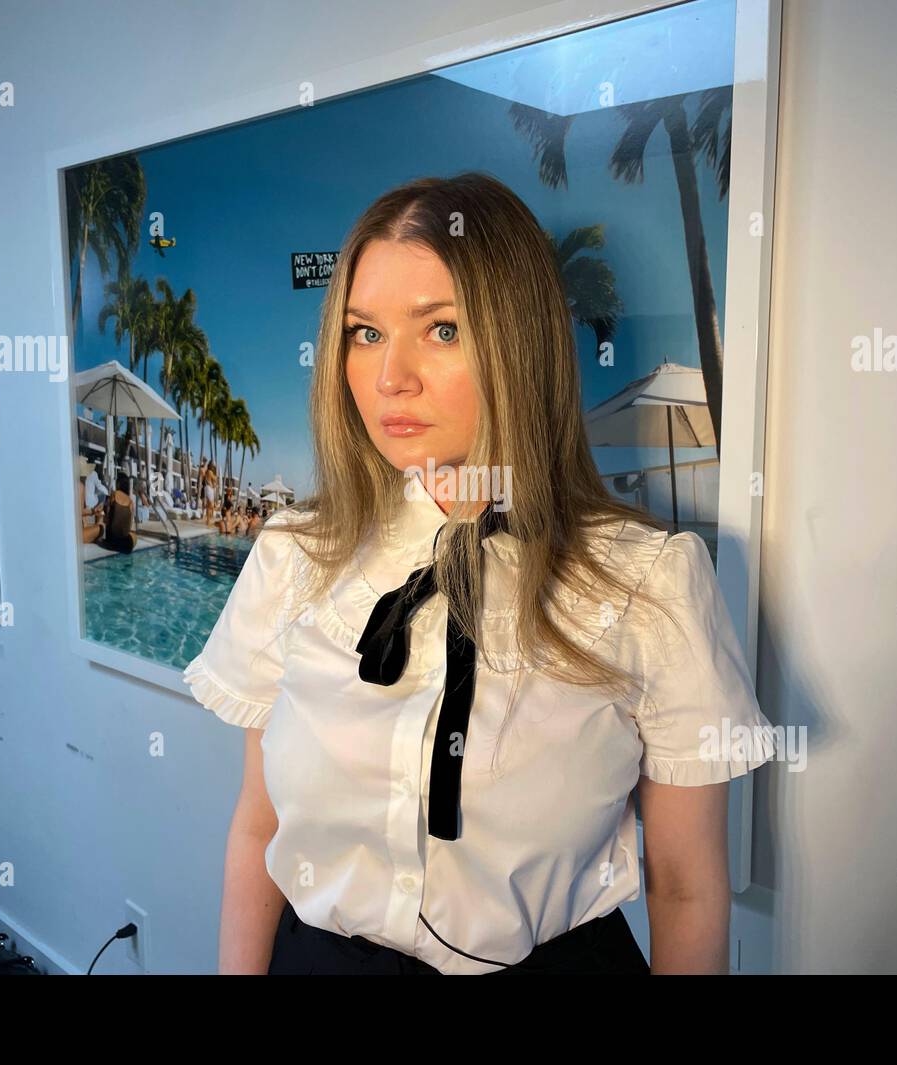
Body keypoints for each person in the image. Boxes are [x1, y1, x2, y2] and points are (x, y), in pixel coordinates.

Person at [182, 173, 774, 976]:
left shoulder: (650, 583)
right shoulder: (294, 554)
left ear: (516, 341)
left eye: (442, 329)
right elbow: (258, 828)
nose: (391, 376)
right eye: (364, 333)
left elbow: (686, 887)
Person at [98, 471, 137, 554]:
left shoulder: (114, 495)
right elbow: (129, 527)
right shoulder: (130, 502)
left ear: (118, 484)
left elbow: (106, 519)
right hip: (126, 545)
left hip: (111, 541)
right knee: (134, 536)